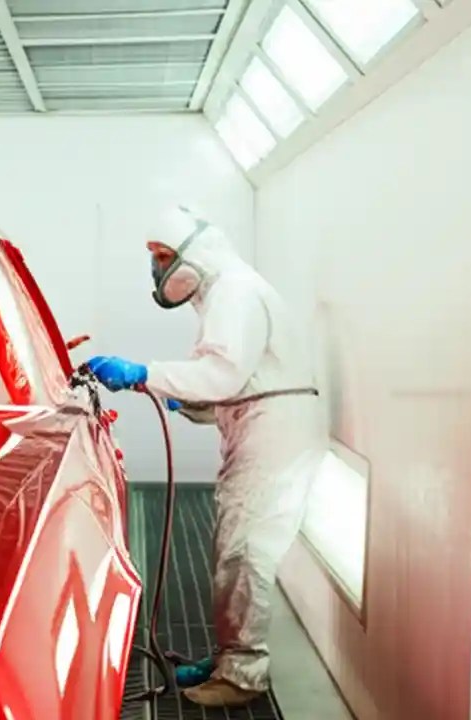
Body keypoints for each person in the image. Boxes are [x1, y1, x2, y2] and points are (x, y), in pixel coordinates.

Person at [85, 206, 325, 707]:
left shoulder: (233, 292)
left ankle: (242, 674)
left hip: (272, 434)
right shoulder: (226, 291)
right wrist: (183, 398)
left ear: (194, 254)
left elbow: (222, 376)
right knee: (234, 547)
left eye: (163, 256)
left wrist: (143, 373)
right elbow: (232, 382)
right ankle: (228, 657)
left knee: (244, 552)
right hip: (263, 425)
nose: (158, 269)